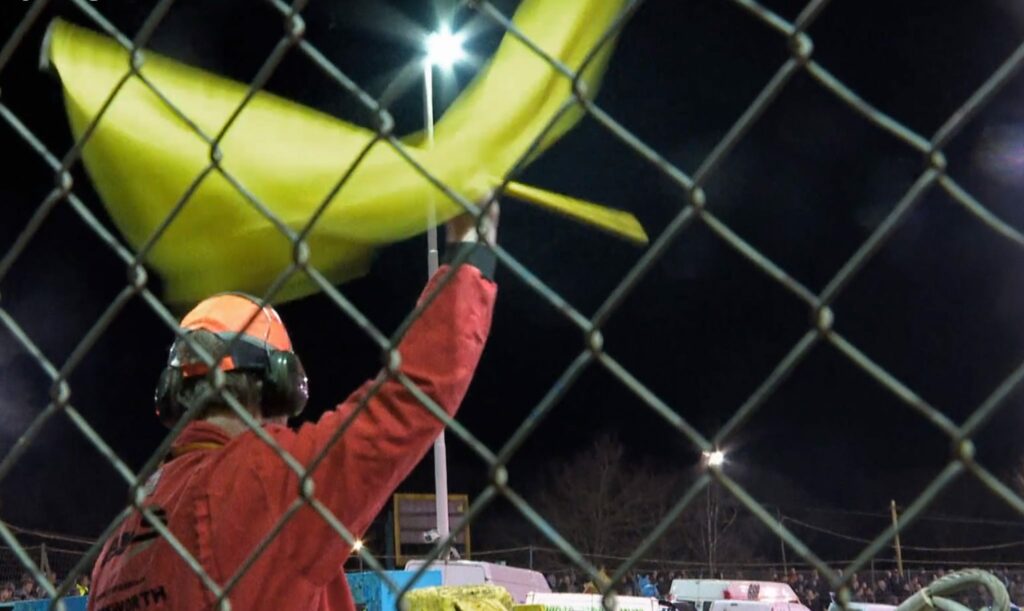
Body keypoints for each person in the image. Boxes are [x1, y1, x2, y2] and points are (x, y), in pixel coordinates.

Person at [87, 204, 500, 611]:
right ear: (274, 385)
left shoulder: (120, 541)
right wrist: (471, 248)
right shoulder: (263, 482)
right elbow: (410, 398)